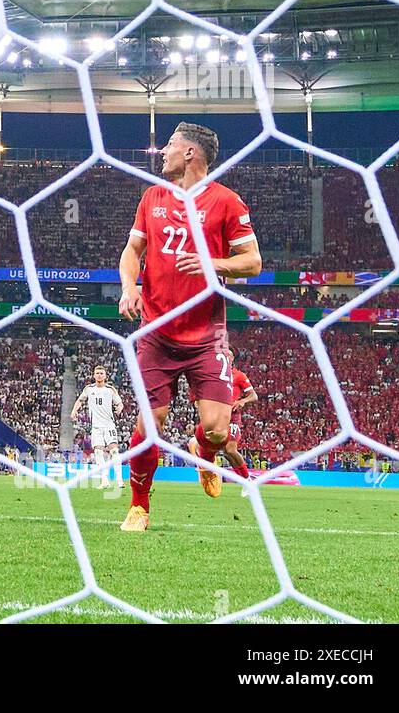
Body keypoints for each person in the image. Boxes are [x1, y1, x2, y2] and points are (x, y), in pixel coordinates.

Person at [117, 123, 262, 531]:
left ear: (189, 155)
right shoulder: (152, 197)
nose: (162, 151)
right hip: (156, 332)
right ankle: (139, 506)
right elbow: (132, 250)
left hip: (207, 337)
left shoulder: (226, 202)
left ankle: (201, 447)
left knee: (218, 432)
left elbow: (252, 262)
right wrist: (130, 286)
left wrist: (212, 262)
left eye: (170, 145)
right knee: (151, 425)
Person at [198, 346, 255, 481]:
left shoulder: (239, 375)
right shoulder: (215, 374)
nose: (225, 356)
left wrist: (243, 401)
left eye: (228, 354)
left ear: (232, 358)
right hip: (216, 415)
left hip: (232, 417)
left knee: (230, 449)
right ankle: (209, 474)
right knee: (221, 450)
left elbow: (254, 395)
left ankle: (247, 480)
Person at [71, 365, 124, 489]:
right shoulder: (89, 389)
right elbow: (80, 400)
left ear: (105, 376)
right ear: (94, 375)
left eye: (101, 373)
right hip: (96, 427)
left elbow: (119, 403)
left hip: (109, 425)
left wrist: (119, 409)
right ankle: (104, 481)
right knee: (98, 452)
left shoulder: (110, 390)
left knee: (114, 450)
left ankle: (119, 480)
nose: (99, 375)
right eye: (97, 373)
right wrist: (74, 410)